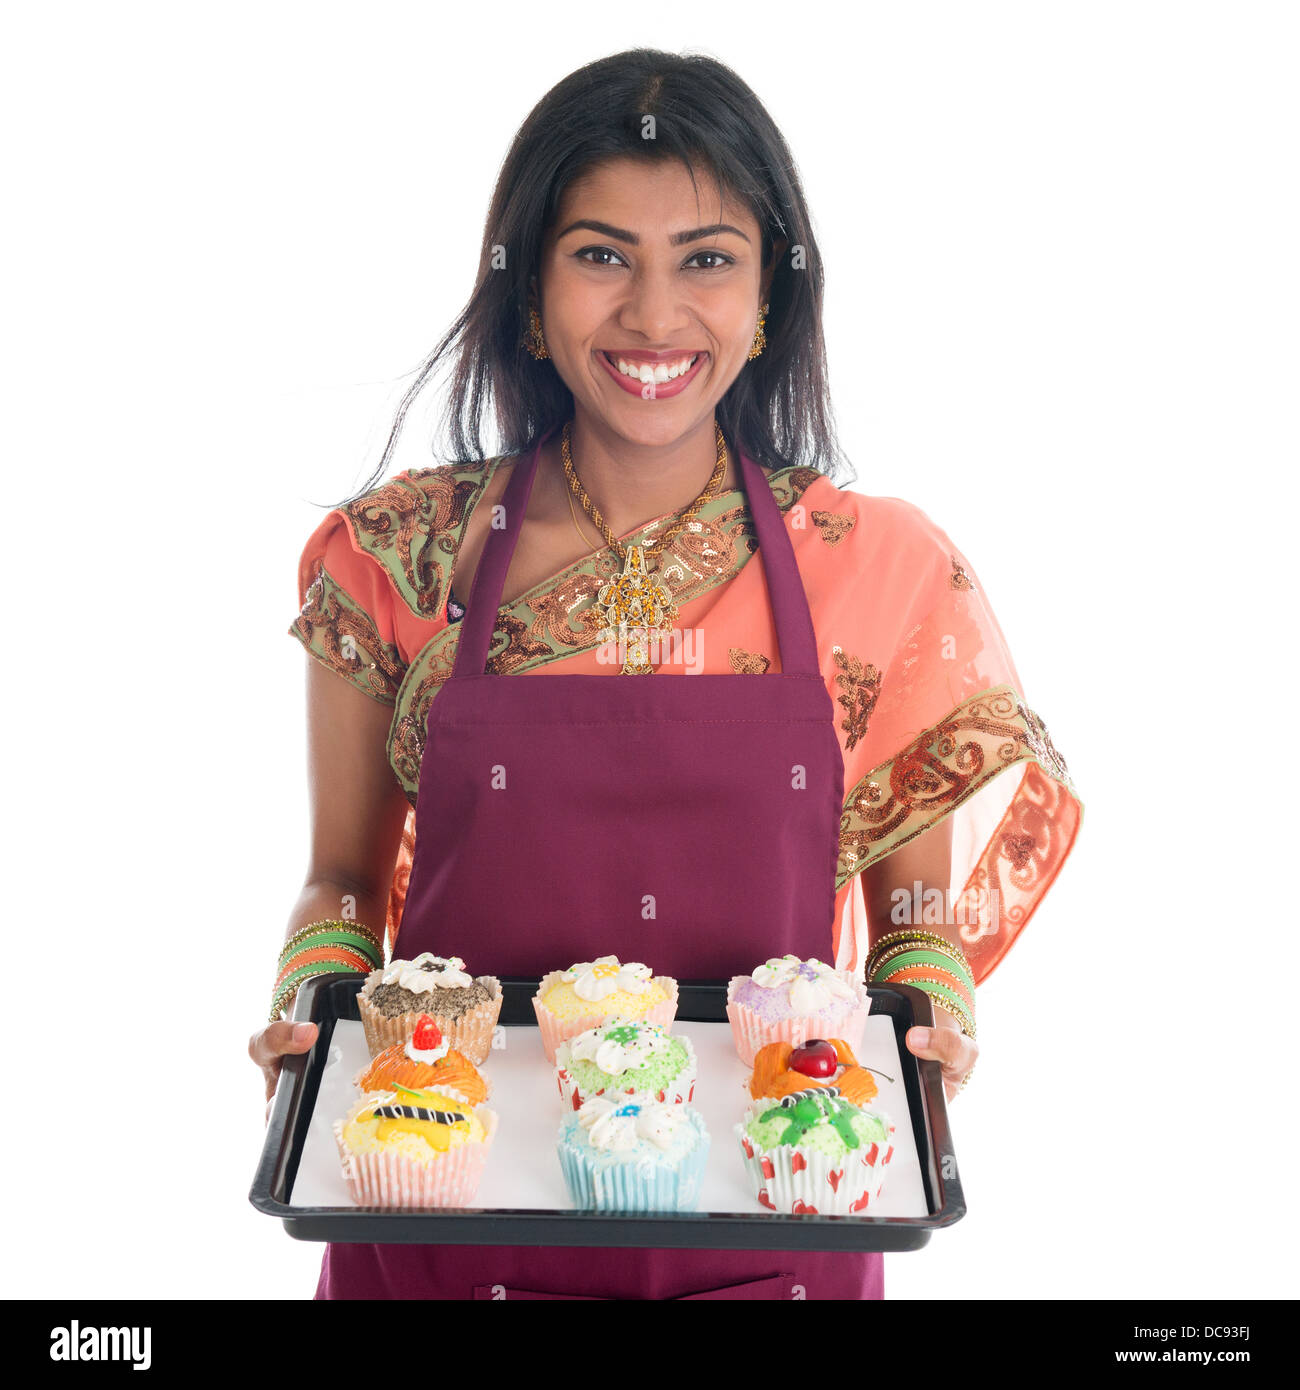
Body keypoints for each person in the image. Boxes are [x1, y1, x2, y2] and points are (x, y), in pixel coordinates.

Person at [249, 47, 1083, 1300]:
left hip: (782, 1215)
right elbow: (340, 884)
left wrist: (925, 1014)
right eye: (599, 256)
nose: (652, 315)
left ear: (768, 297)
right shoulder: (398, 559)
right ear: (529, 291)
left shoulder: (875, 568)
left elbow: (912, 919)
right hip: (440, 1205)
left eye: (706, 258)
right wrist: (314, 1006)